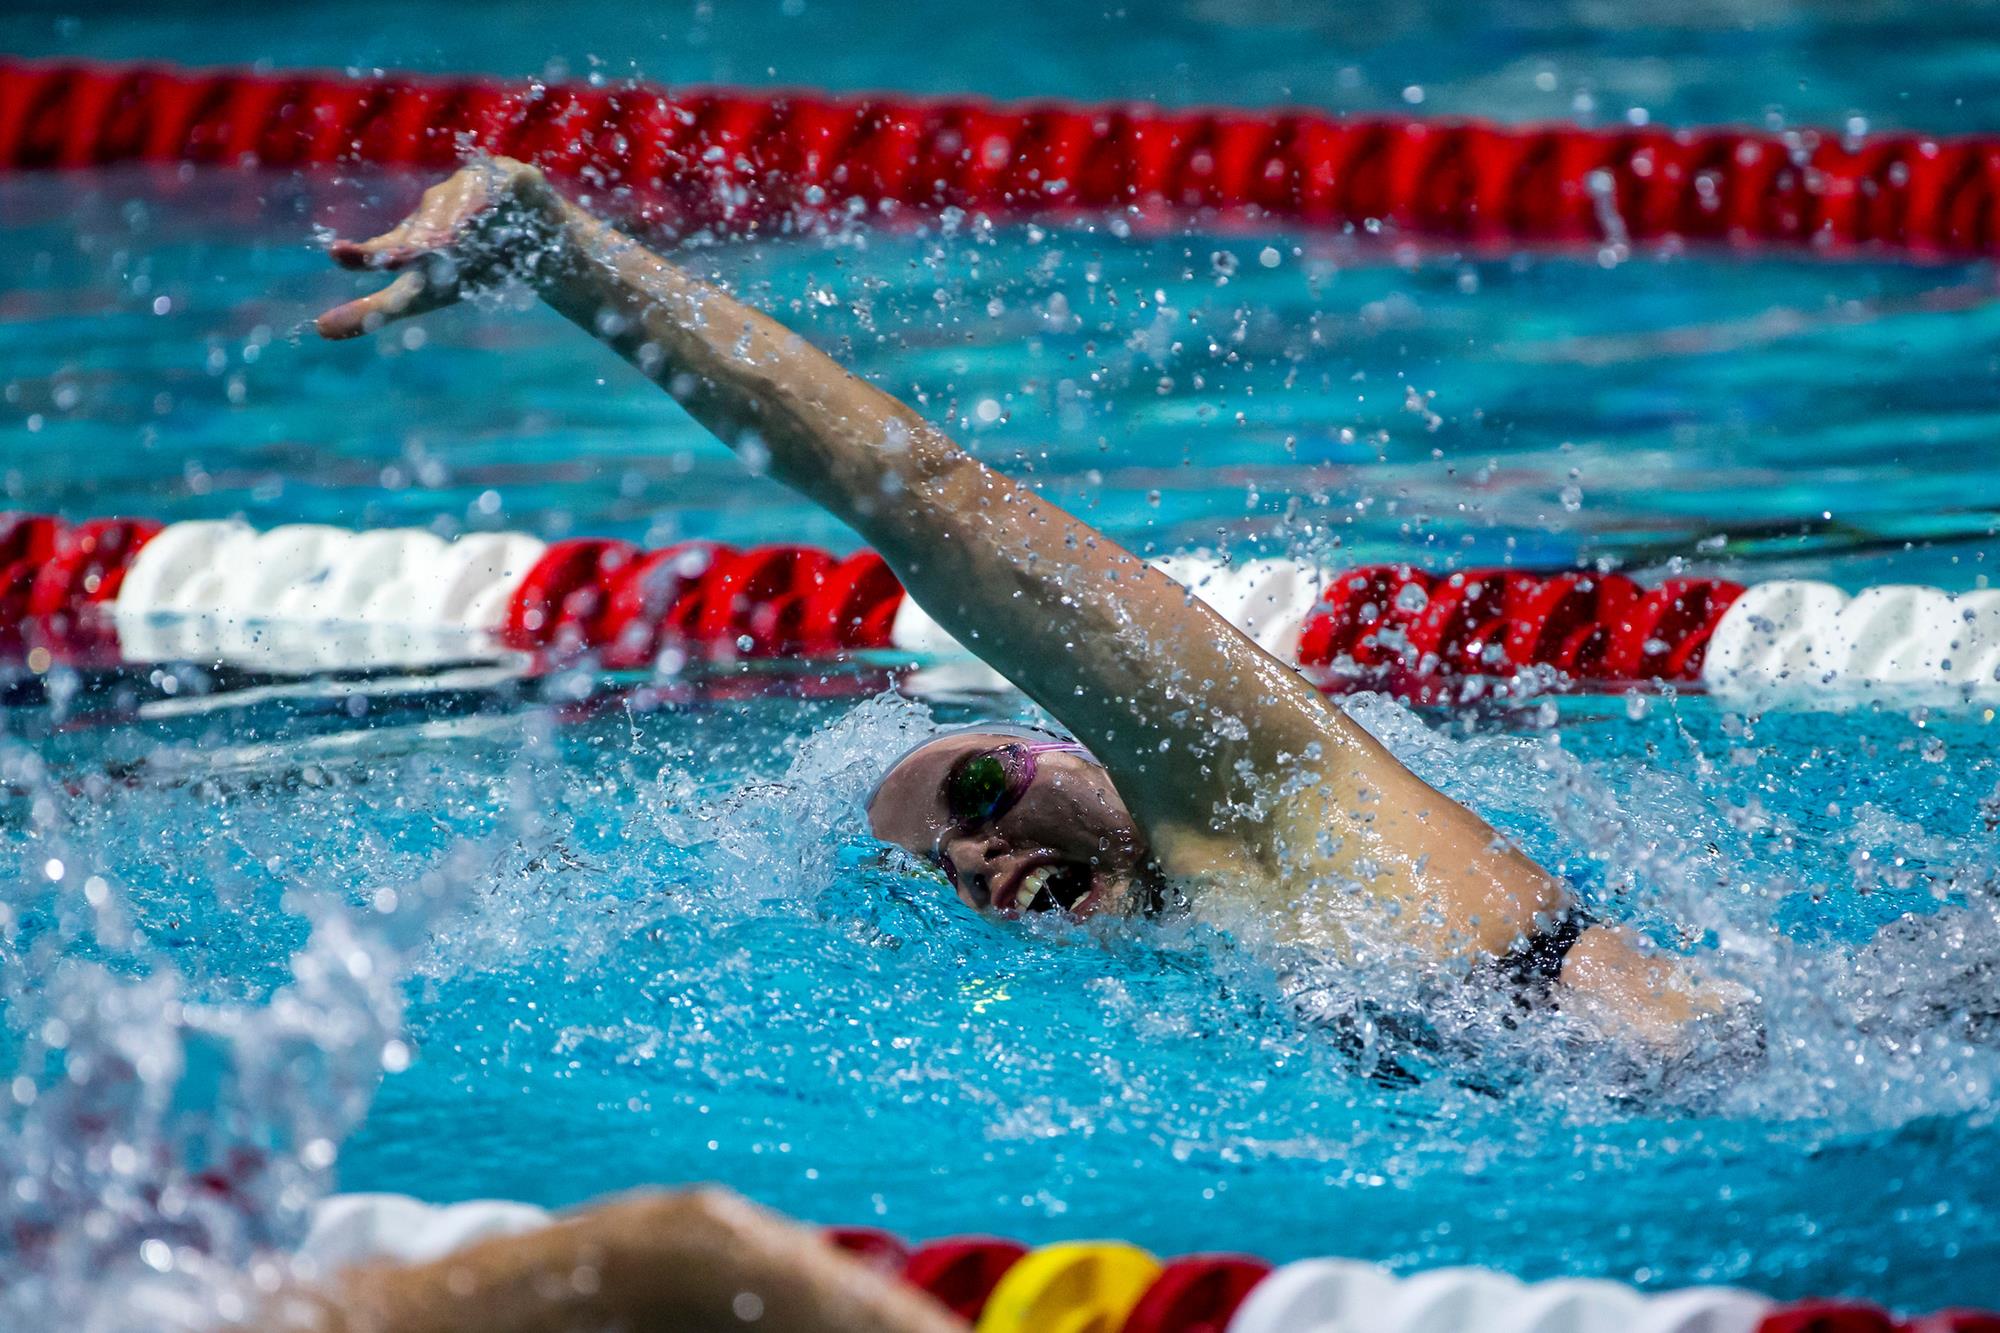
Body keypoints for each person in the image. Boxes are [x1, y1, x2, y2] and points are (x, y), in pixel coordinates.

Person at [317, 157, 1729, 1044]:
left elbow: (925, 498)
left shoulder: (1260, 790)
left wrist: (574, 263)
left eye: (980, 788)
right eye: (949, 865)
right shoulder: (1215, 969)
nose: (976, 858)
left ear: (1086, 746)